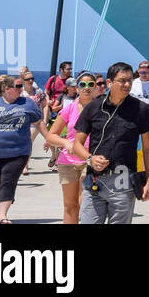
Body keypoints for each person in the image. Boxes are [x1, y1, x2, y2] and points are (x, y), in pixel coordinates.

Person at [72, 62, 149, 224]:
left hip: (123, 180)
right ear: (109, 83)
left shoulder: (141, 109)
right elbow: (77, 145)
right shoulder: (93, 108)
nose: (127, 84)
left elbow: (147, 149)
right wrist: (90, 159)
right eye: (122, 80)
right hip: (94, 180)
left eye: (130, 80)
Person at [0, 75, 58, 223]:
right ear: (7, 88)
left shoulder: (28, 103)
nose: (21, 89)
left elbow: (39, 123)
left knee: (8, 179)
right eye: (18, 86)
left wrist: (48, 138)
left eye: (21, 86)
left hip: (18, 151)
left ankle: (3, 215)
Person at [45, 73, 99, 223]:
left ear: (95, 87)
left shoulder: (101, 109)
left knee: (84, 203)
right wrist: (66, 143)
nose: (86, 88)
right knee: (70, 206)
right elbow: (51, 135)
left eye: (91, 85)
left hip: (89, 160)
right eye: (83, 85)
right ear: (77, 88)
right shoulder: (70, 108)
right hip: (67, 161)